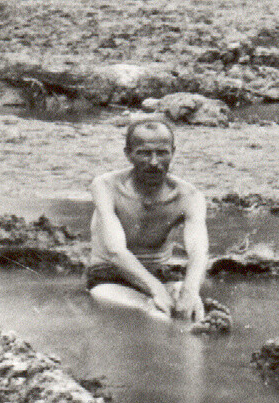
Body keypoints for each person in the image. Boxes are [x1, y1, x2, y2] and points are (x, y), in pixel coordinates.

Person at [85, 118, 211, 320]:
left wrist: (189, 292)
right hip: (109, 275)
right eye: (144, 153)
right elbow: (115, 251)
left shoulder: (189, 196)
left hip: (160, 274)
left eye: (162, 153)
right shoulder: (106, 186)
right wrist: (158, 292)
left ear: (173, 152)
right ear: (128, 154)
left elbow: (199, 252)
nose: (154, 162)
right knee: (155, 314)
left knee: (192, 309)